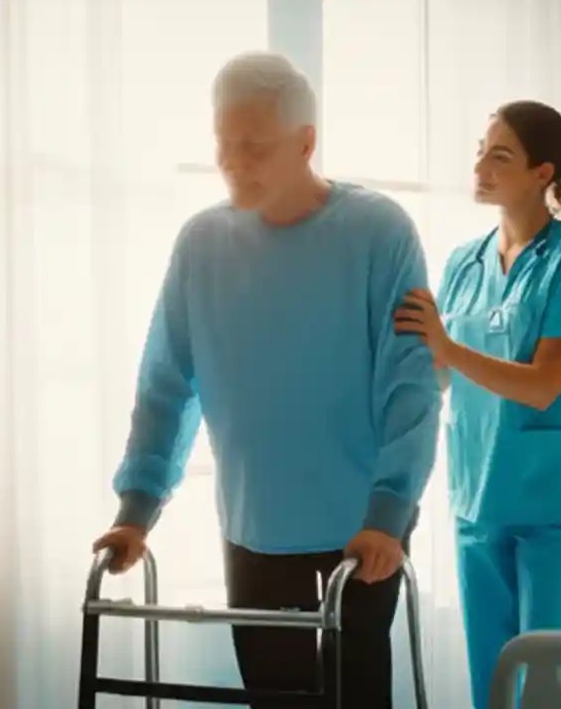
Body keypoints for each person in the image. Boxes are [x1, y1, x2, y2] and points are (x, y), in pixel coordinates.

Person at [92, 51, 441, 709]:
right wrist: (136, 511)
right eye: (223, 143)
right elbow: (166, 384)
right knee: (275, 702)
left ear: (306, 142)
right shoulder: (200, 244)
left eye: (253, 147)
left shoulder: (378, 231)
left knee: (357, 699)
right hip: (255, 527)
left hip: (360, 531)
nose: (232, 162)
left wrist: (390, 515)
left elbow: (411, 386)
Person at [393, 100, 561, 708]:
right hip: (477, 498)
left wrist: (446, 344)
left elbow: (543, 384)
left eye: (501, 155)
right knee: (491, 688)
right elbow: (438, 375)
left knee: (546, 689)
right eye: (480, 151)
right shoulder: (464, 262)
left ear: (544, 173)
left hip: (557, 506)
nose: (482, 165)